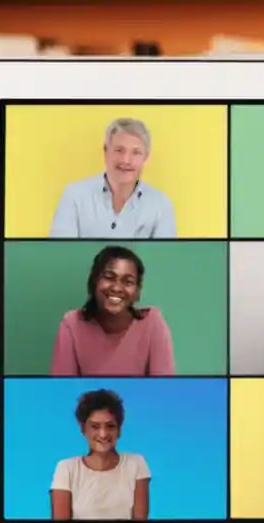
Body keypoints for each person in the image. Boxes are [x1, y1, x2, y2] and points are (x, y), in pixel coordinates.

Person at [49, 245, 175, 376]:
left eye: (128, 282)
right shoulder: (72, 324)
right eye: (109, 277)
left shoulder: (152, 323)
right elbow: (61, 387)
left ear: (137, 292)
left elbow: (165, 388)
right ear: (94, 281)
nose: (116, 288)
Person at [48, 118, 177, 238]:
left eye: (136, 152)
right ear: (106, 150)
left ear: (145, 157)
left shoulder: (161, 204)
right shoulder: (74, 195)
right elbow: (60, 254)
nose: (126, 160)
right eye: (119, 150)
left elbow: (164, 259)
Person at [51, 389, 151, 520]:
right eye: (95, 426)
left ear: (119, 429)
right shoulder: (66, 468)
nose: (103, 434)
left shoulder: (136, 464)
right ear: (83, 428)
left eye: (110, 426)